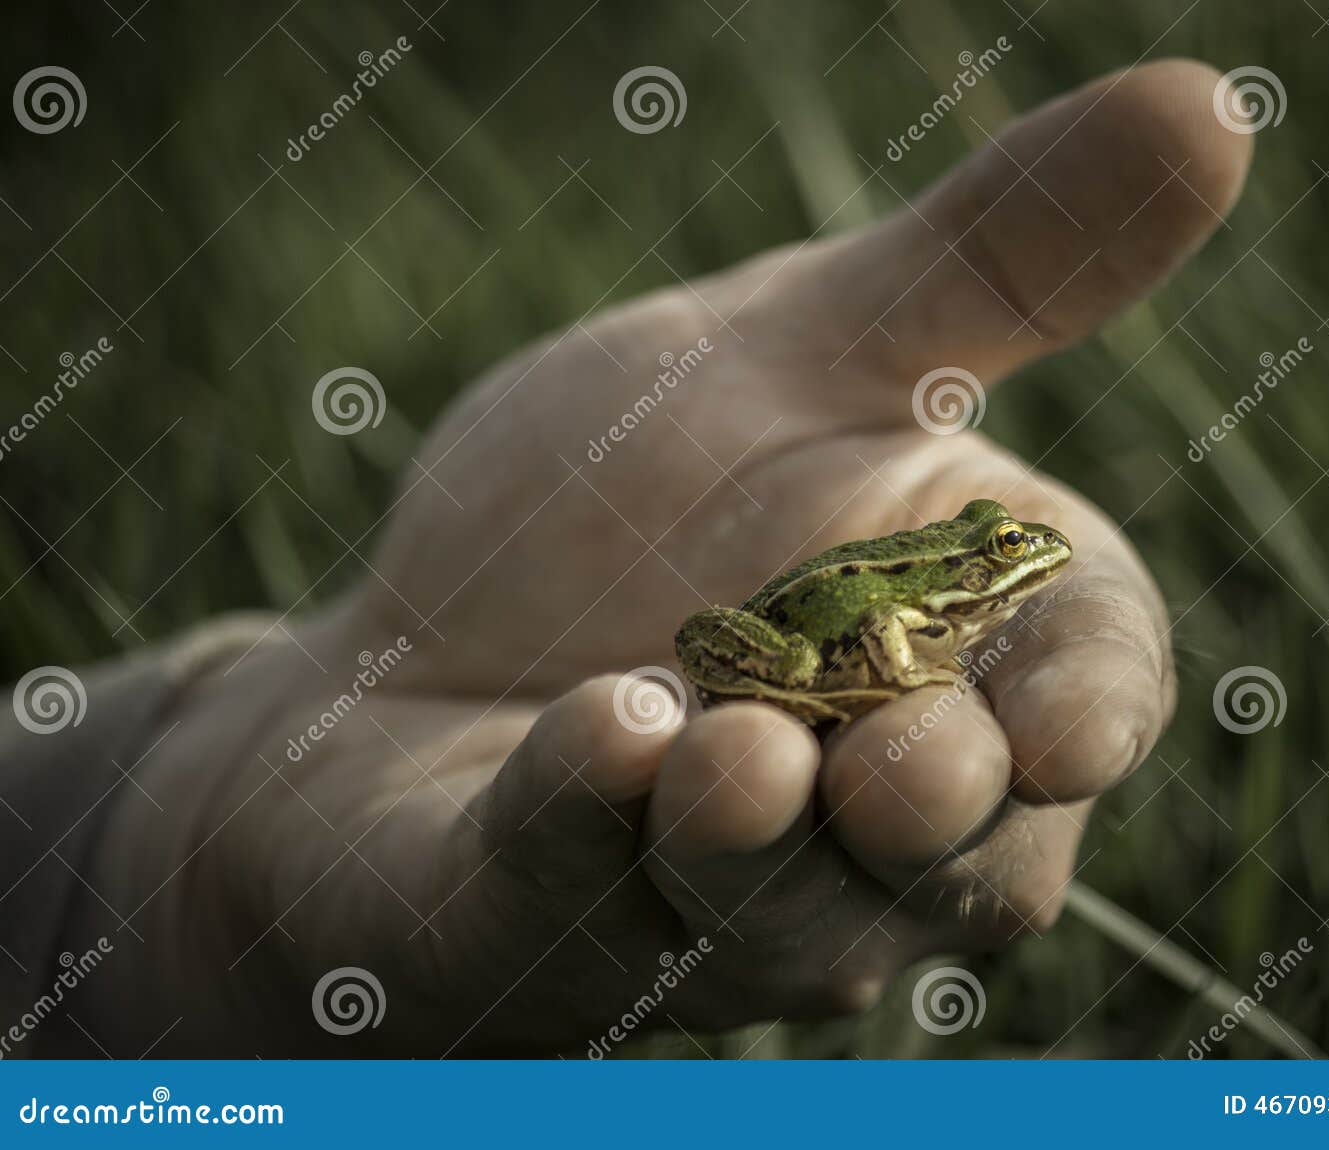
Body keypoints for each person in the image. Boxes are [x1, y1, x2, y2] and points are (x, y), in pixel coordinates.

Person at [1, 59, 1249, 1056]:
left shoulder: (955, 587)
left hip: (104, 843)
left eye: (1009, 549)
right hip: (793, 636)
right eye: (1006, 550)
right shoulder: (928, 611)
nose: (1020, 558)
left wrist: (176, 834)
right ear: (974, 565)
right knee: (809, 736)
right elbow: (882, 635)